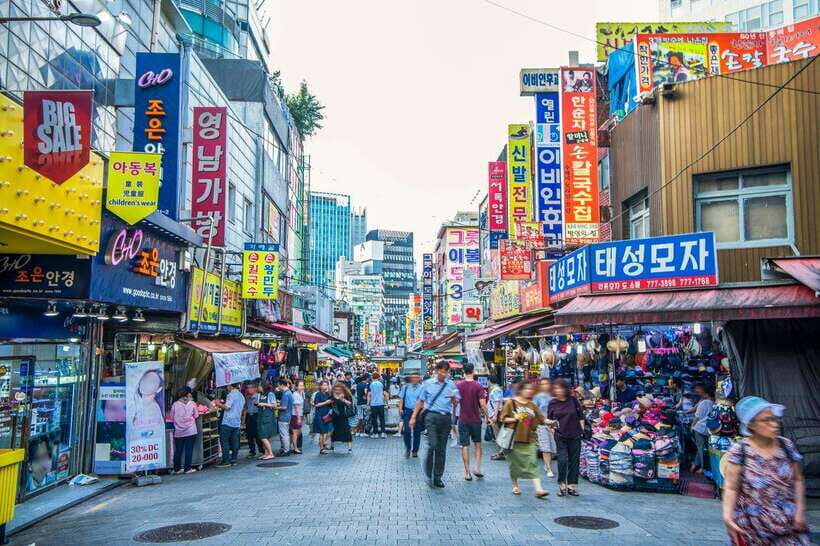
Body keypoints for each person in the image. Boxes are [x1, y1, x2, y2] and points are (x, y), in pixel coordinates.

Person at [722, 396, 809, 545]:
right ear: (752, 426)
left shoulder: (786, 446)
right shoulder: (740, 451)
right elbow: (731, 487)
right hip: (752, 528)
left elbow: (798, 480)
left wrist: (800, 510)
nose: (774, 424)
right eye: (767, 420)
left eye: (775, 419)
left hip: (788, 526)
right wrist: (728, 516)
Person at [409, 360, 460, 488]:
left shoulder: (451, 385)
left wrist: (454, 400)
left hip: (446, 418)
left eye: (446, 372)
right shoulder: (428, 384)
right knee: (433, 444)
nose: (444, 374)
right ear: (437, 371)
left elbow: (456, 403)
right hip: (431, 416)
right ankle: (428, 468)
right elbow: (420, 402)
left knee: (441, 449)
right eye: (442, 371)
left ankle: (437, 477)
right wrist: (413, 417)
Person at [499, 382, 551, 498]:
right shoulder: (511, 403)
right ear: (521, 390)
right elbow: (502, 418)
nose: (529, 391)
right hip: (513, 438)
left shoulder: (532, 405)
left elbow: (541, 418)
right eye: (527, 389)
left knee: (532, 462)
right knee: (514, 464)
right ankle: (515, 485)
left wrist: (552, 422)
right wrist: (514, 418)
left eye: (531, 389)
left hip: (529, 438)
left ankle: (538, 489)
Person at [548, 379, 585, 496]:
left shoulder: (573, 400)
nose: (558, 391)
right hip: (560, 435)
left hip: (575, 434)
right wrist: (552, 429)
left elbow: (581, 416)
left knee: (574, 460)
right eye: (556, 389)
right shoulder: (552, 403)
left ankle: (571, 485)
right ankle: (562, 484)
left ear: (565, 389)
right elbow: (549, 419)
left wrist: (581, 431)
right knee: (562, 460)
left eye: (560, 388)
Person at [456, 363, 487, 481]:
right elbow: (483, 404)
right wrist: (488, 416)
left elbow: (455, 402)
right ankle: (477, 468)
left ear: (463, 372)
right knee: (478, 444)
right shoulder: (478, 386)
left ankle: (467, 472)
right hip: (475, 420)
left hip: (463, 419)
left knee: (464, 446)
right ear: (473, 371)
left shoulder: (459, 386)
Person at [214, 383, 244, 467]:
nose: (227, 388)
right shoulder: (241, 395)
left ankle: (226, 460)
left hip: (228, 421)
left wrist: (218, 403)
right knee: (234, 441)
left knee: (224, 441)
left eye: (227, 386)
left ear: (230, 386)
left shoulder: (231, 395)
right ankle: (234, 459)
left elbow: (227, 407)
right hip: (237, 421)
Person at [171, 387, 198, 474]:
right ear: (188, 394)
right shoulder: (192, 403)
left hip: (179, 431)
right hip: (191, 430)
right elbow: (196, 415)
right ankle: (187, 469)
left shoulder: (175, 404)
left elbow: (172, 417)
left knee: (178, 450)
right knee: (188, 450)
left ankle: (177, 469)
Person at [533, 378, 556, 477]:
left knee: (554, 449)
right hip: (542, 425)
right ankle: (549, 469)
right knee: (545, 448)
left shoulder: (554, 397)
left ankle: (547, 465)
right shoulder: (537, 397)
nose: (544, 386)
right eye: (542, 384)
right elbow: (534, 411)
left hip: (554, 425)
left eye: (546, 384)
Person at [690, 383, 715, 473]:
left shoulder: (704, 402)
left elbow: (697, 416)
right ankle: (695, 465)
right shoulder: (713, 402)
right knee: (700, 448)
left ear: (705, 392)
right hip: (707, 429)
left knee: (701, 449)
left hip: (699, 428)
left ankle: (703, 468)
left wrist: (692, 426)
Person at [399, 373, 423, 458]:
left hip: (418, 411)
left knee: (417, 431)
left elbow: (423, 400)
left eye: (417, 377)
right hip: (408, 410)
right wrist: (400, 408)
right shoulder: (405, 387)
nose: (415, 379)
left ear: (419, 378)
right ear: (410, 378)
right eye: (413, 377)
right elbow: (401, 398)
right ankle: (408, 448)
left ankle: (415, 450)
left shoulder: (422, 388)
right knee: (407, 431)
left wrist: (420, 408)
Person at [330, 382, 354, 453]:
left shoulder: (345, 395)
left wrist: (342, 399)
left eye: (339, 389)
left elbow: (350, 404)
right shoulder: (332, 395)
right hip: (334, 416)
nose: (337, 391)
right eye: (336, 389)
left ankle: (349, 448)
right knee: (333, 431)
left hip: (343, 416)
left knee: (347, 431)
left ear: (342, 389)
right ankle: (332, 446)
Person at [255, 383, 277, 460]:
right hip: (261, 417)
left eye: (259, 386)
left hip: (267, 418)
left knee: (263, 436)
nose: (258, 388)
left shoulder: (270, 394)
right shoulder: (260, 394)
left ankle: (271, 453)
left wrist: (263, 404)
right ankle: (266, 453)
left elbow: (274, 405)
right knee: (262, 435)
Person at [312, 381, 334, 454]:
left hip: (327, 416)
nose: (325, 386)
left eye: (326, 385)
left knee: (326, 431)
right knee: (322, 432)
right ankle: (321, 448)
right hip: (320, 416)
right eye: (324, 385)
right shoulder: (318, 394)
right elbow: (316, 404)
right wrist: (326, 402)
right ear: (320, 386)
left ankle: (322, 445)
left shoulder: (328, 394)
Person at [243, 383, 263, 458]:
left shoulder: (259, 396)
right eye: (248, 388)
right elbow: (245, 409)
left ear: (255, 388)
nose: (249, 389)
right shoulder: (247, 398)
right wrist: (243, 419)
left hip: (256, 416)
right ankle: (252, 451)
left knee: (257, 434)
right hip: (249, 416)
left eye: (251, 387)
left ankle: (261, 450)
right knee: (249, 435)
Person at [488, 376, 506, 461]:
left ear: (490, 381)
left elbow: (497, 403)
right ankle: (500, 452)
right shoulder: (496, 389)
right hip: (495, 414)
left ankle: (501, 452)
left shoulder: (496, 390)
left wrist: (495, 416)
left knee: (498, 434)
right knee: (498, 434)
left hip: (496, 415)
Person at [276, 379, 294, 456]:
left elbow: (284, 407)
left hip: (284, 416)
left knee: (284, 434)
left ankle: (286, 450)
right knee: (285, 433)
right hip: (288, 415)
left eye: (278, 385)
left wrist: (275, 407)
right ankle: (286, 448)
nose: (278, 387)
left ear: (282, 385)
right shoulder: (289, 393)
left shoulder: (286, 394)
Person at [368, 372, 387, 438]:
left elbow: (369, 395)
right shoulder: (381, 384)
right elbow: (385, 394)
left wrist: (368, 403)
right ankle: (383, 433)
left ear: (372, 377)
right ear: (378, 377)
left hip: (373, 404)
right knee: (382, 419)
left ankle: (375, 433)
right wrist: (386, 403)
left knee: (374, 419)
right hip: (381, 403)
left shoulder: (370, 384)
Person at [291, 380, 305, 454]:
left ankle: (294, 446)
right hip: (296, 415)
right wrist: (299, 418)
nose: (302, 387)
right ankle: (295, 448)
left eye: (303, 385)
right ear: (296, 387)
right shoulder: (295, 394)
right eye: (300, 385)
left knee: (298, 432)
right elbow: (296, 407)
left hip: (300, 415)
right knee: (295, 432)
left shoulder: (301, 393)